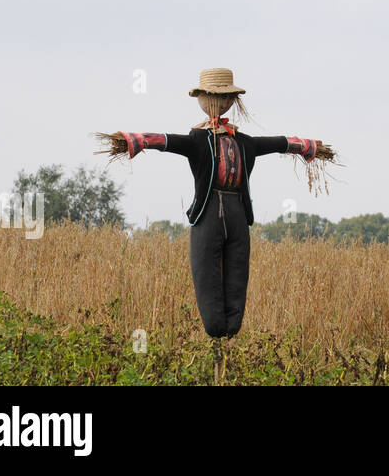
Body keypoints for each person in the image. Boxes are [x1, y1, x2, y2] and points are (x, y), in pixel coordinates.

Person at [98, 68, 334, 383]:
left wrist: (307, 147)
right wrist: (135, 141)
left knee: (238, 272)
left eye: (225, 97)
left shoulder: (244, 141)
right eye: (216, 97)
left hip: (238, 213)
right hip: (207, 213)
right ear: (203, 99)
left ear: (231, 100)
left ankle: (231, 329)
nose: (220, 103)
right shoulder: (198, 140)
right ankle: (216, 330)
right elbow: (167, 141)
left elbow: (277, 143)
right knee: (205, 272)